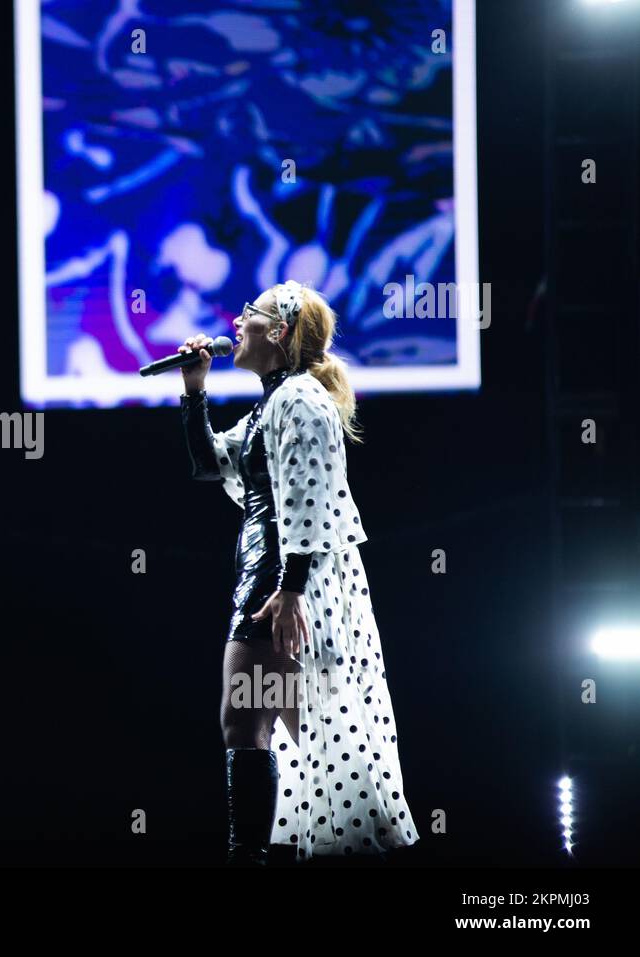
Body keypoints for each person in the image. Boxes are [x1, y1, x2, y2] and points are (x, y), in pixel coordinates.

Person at [179, 280, 418, 864]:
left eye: (250, 315)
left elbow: (311, 498)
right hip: (269, 578)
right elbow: (208, 464)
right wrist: (194, 390)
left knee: (247, 728)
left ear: (279, 331)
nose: (236, 322)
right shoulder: (272, 403)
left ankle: (248, 859)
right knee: (297, 736)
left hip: (274, 583)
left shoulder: (300, 399)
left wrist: (290, 590)